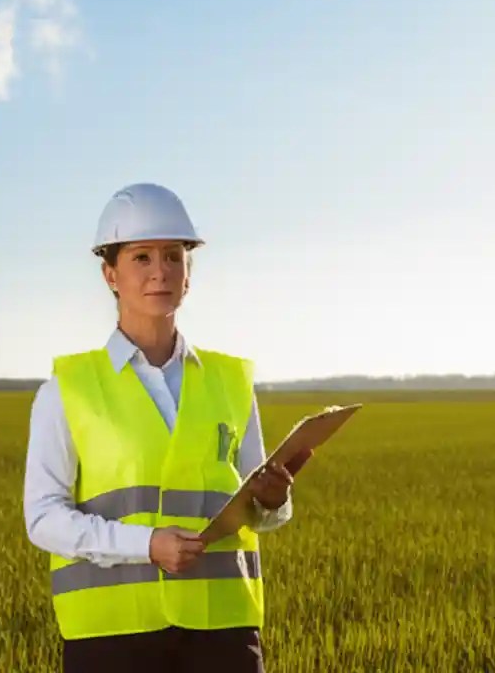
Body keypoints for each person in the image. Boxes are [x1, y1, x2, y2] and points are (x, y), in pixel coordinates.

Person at [23, 182, 315, 672]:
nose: (160, 272)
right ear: (109, 274)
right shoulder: (67, 389)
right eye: (141, 258)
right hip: (113, 636)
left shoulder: (231, 382)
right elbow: (43, 519)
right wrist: (146, 546)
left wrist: (272, 499)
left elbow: (263, 516)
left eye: (173, 256)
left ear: (189, 272)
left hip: (223, 632)